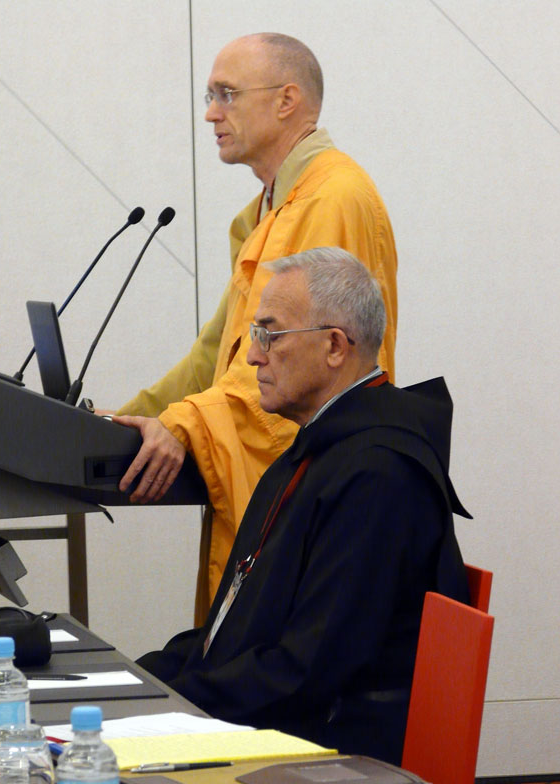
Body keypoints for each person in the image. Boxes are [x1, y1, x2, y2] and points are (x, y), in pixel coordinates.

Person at [135, 248, 470, 765]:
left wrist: (177, 703)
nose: (252, 355)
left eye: (270, 334)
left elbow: (308, 670)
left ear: (335, 346)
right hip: (276, 722)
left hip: (330, 751)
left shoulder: (378, 474)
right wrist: (140, 679)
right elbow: (241, 628)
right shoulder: (318, 450)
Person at [114, 33, 398, 622]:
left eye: (226, 94)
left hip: (317, 493)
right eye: (208, 94)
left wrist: (182, 425)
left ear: (287, 100)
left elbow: (300, 368)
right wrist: (125, 421)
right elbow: (217, 354)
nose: (210, 112)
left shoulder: (332, 198)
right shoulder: (273, 207)